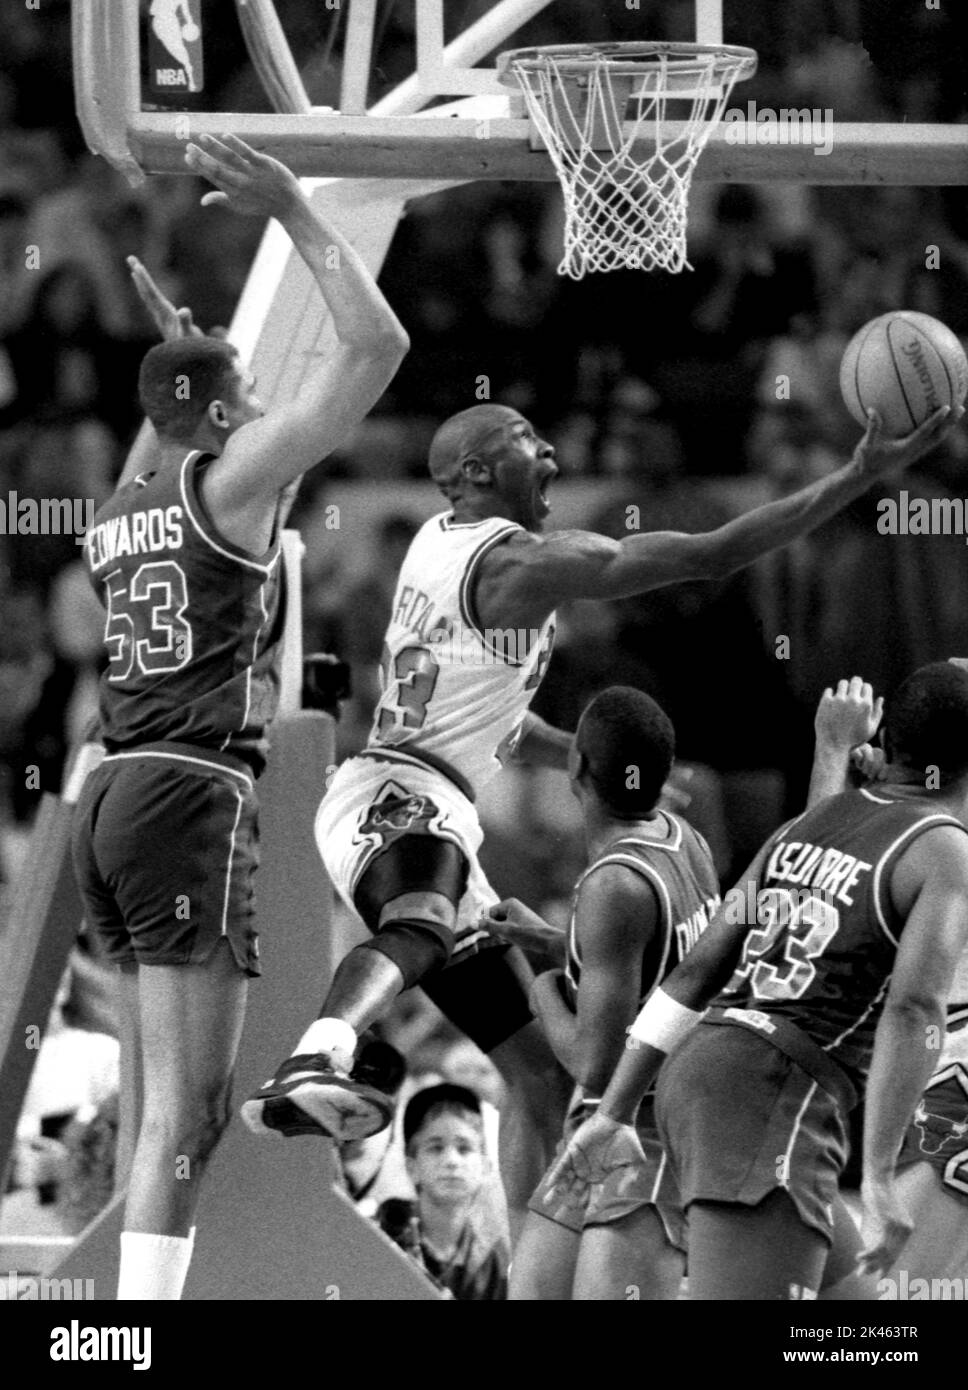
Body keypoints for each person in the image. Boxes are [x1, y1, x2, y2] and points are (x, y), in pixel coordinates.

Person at [244, 394, 958, 1236]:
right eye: (528, 440)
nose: (550, 452)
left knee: (540, 1078)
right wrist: (861, 474)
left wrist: (582, 757)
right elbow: (712, 551)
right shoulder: (519, 567)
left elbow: (494, 720)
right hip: (394, 794)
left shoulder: (443, 547)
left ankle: (533, 1267)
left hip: (427, 797)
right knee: (425, 919)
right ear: (475, 473)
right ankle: (321, 1051)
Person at [70, 134, 408, 1300]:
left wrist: (182, 353)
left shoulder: (119, 507)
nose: (267, 413)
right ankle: (133, 1339)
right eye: (247, 402)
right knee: (191, 1112)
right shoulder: (229, 481)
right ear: (216, 420)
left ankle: (114, 1318)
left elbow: (164, 415)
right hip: (185, 793)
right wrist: (293, 215)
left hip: (110, 795)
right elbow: (378, 347)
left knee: (152, 1099)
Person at [545, 663, 968, 1300]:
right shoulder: (944, 852)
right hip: (772, 1099)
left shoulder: (811, 825)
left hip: (701, 1070)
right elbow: (913, 1009)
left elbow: (698, 970)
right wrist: (879, 1174)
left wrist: (614, 1110)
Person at [486, 685, 720, 1300]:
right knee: (531, 1291)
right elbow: (650, 968)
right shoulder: (681, 837)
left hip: (646, 1131)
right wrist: (553, 942)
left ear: (577, 768)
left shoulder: (614, 886)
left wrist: (536, 984)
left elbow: (593, 1064)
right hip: (612, 1127)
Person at [376, 1083, 508, 1301]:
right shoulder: (383, 1232)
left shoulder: (492, 1260)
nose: (451, 1161)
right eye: (436, 1148)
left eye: (464, 1148)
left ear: (485, 1167)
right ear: (412, 1167)